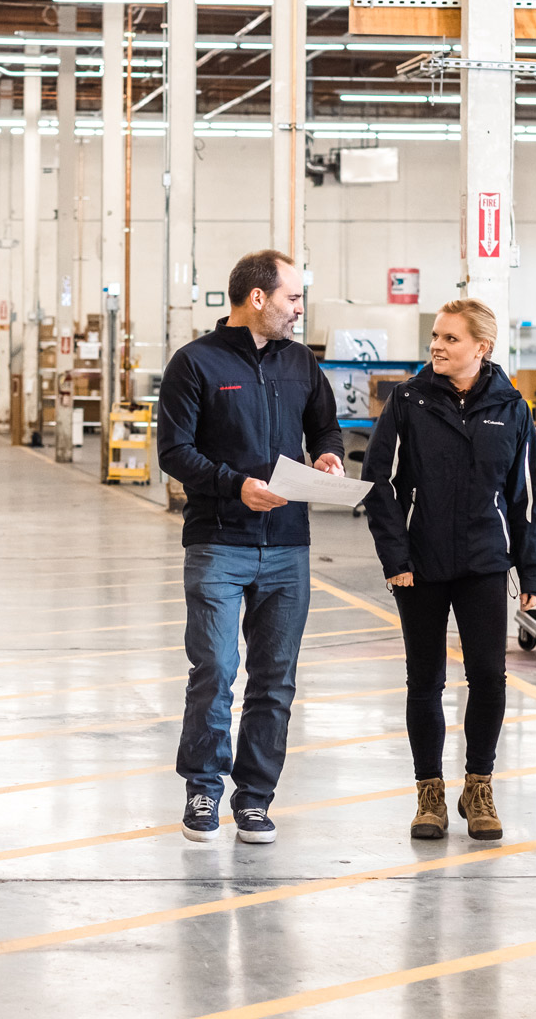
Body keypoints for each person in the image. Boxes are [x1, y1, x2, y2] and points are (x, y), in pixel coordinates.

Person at [156, 250, 344, 845]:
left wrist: (328, 457)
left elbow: (326, 428)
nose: (299, 309)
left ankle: (255, 800)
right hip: (219, 541)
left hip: (288, 545)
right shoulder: (195, 364)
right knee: (214, 669)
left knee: (275, 679)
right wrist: (235, 485)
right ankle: (204, 789)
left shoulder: (301, 365)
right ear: (257, 298)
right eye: (293, 298)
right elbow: (174, 452)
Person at [361, 299, 536, 842]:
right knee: (425, 680)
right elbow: (380, 485)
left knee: (488, 677)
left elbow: (527, 499)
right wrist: (395, 559)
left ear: (481, 348)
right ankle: (429, 794)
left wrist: (531, 575)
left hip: (484, 561)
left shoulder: (512, 407)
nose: (437, 346)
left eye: (450, 338)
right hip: (419, 564)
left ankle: (478, 786)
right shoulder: (408, 400)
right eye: (436, 337)